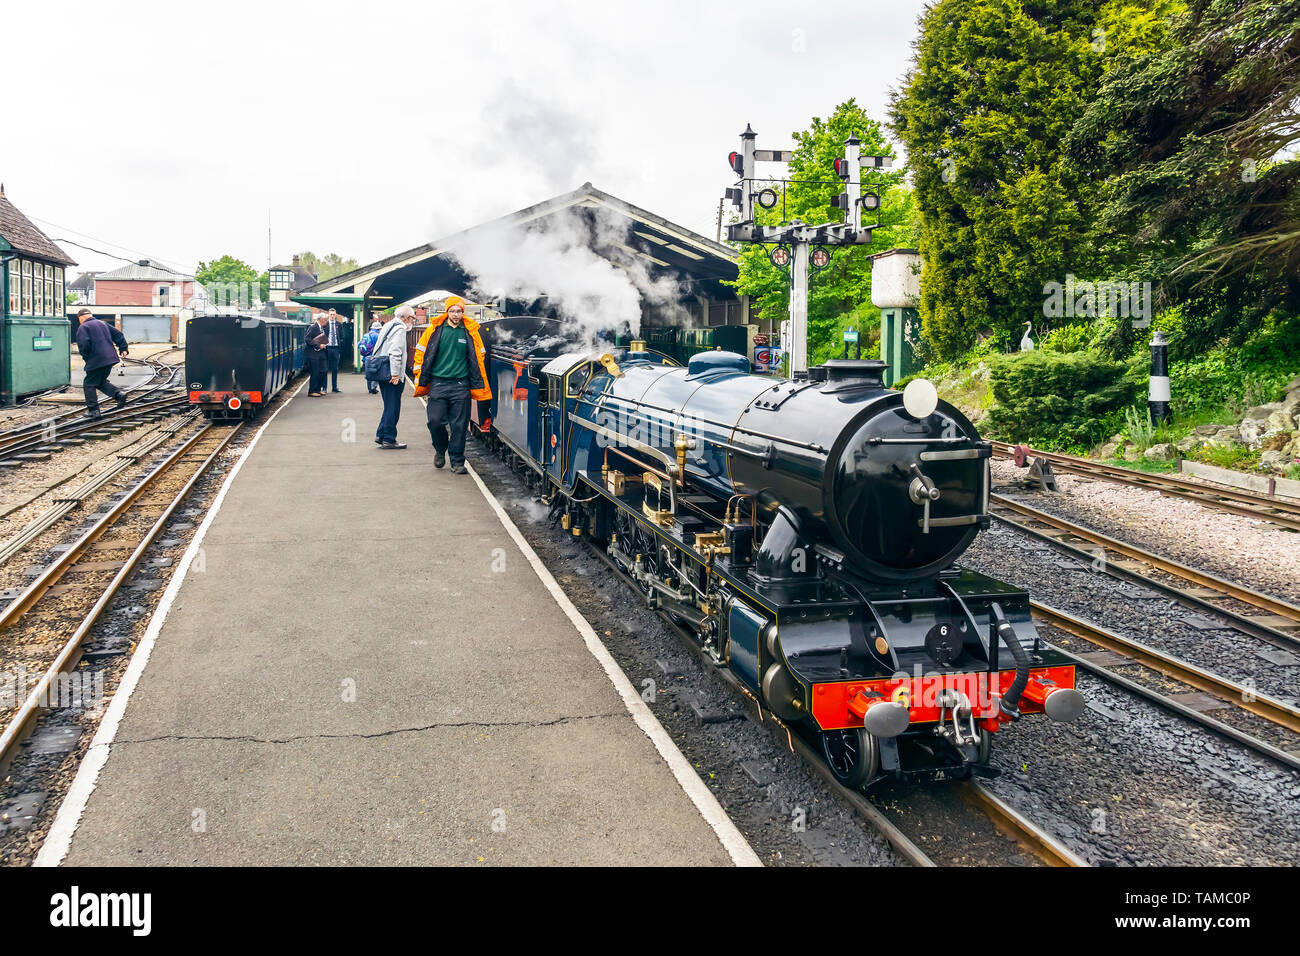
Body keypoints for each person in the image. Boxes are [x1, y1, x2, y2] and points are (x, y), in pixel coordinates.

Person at [413, 295, 491, 474]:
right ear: (446, 311)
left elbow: (480, 357)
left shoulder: (470, 332)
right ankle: (440, 449)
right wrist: (420, 378)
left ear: (463, 312)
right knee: (435, 421)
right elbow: (420, 353)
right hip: (438, 383)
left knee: (459, 425)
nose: (456, 314)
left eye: (459, 311)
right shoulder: (435, 330)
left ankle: (457, 461)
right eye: (452, 311)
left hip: (460, 385)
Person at [74, 309, 129, 419]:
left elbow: (84, 345)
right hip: (111, 358)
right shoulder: (103, 323)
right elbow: (118, 334)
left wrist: (87, 358)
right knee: (99, 382)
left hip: (97, 360)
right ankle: (118, 395)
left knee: (89, 384)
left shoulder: (83, 327)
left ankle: (94, 411)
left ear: (81, 318)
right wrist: (123, 348)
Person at [375, 305, 414, 449]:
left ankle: (381, 435)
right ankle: (389, 439)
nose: (412, 321)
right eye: (412, 318)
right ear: (406, 318)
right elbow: (395, 352)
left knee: (388, 406)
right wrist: (396, 374)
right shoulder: (400, 328)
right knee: (393, 407)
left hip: (382, 372)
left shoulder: (389, 325)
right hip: (391, 374)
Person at [357, 315, 383, 395]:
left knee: (368, 374)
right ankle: (373, 388)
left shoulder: (366, 335)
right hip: (374, 358)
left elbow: (359, 345)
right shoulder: (377, 336)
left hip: (366, 358)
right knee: (375, 372)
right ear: (379, 329)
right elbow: (379, 347)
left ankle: (369, 388)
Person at [305, 312, 329, 396]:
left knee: (324, 370)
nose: (327, 321)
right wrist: (318, 345)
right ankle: (312, 391)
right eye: (326, 320)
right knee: (315, 372)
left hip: (321, 353)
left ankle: (318, 389)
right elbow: (307, 339)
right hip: (313, 353)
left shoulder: (322, 327)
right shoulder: (313, 327)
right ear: (322, 320)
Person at [324, 308, 345, 393]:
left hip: (336, 348)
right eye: (331, 314)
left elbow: (343, 336)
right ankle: (324, 388)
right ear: (328, 315)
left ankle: (334, 387)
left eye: (333, 314)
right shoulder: (325, 325)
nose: (332, 316)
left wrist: (339, 343)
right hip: (327, 348)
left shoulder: (339, 324)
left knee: (335, 369)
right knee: (325, 368)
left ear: (335, 315)